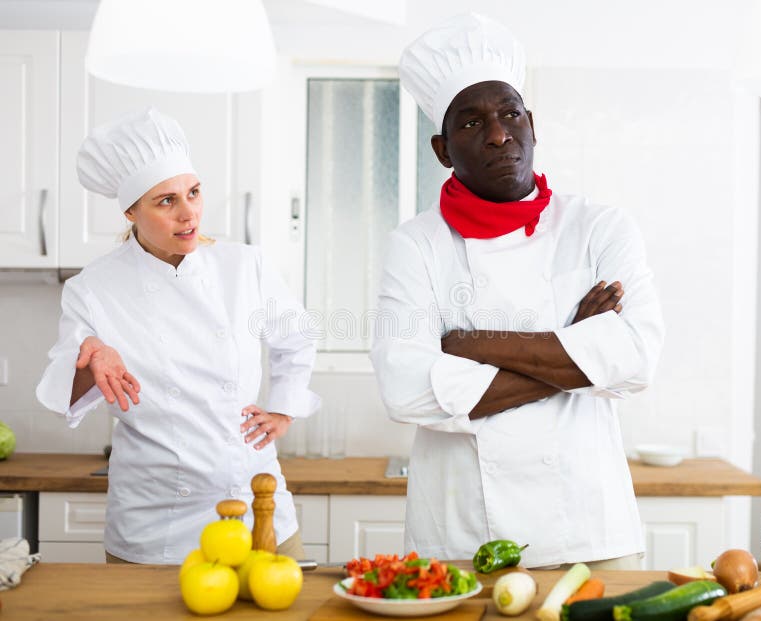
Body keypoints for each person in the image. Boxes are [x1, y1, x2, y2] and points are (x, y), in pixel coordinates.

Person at [370, 13, 664, 569]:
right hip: (464, 535)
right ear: (442, 149)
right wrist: (577, 348)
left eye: (510, 114)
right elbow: (404, 389)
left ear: (532, 123)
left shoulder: (599, 227)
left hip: (589, 528)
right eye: (472, 122)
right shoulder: (416, 245)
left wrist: (472, 344)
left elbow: (635, 359)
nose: (498, 134)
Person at [36, 108, 320, 564]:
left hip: (256, 508)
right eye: (166, 201)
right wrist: (92, 359)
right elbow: (61, 394)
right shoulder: (93, 289)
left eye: (194, 192)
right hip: (154, 521)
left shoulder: (244, 266)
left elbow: (297, 338)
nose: (189, 214)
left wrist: (284, 408)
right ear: (131, 211)